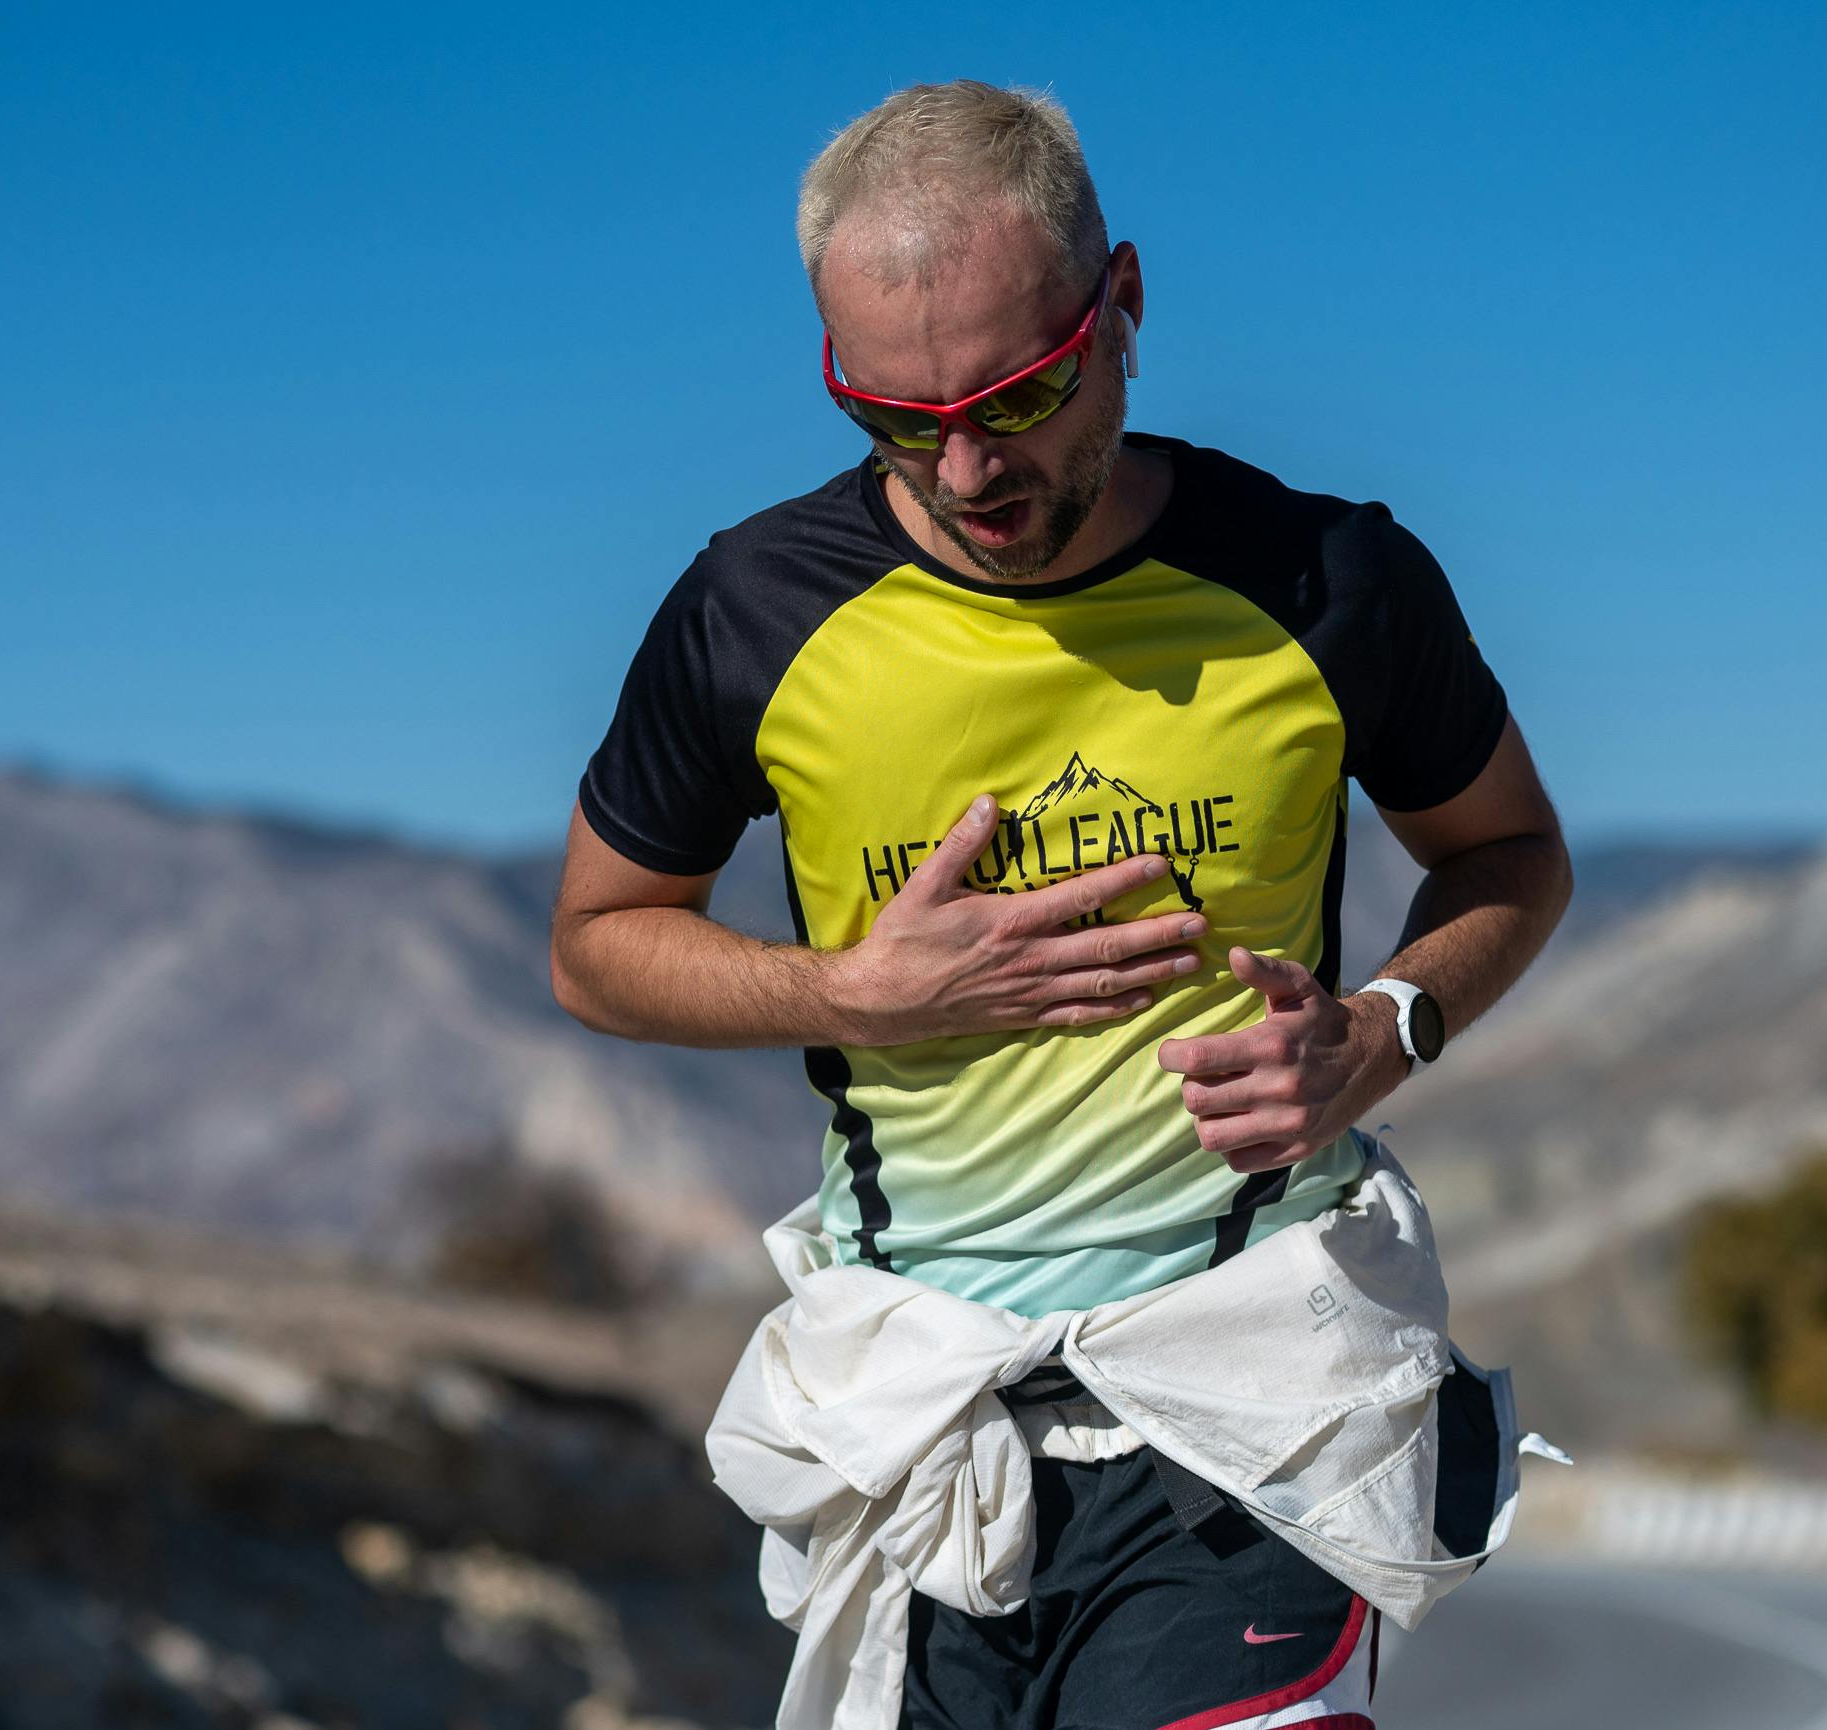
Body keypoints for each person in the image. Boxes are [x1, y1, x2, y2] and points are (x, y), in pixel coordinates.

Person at [551, 80, 1573, 1730]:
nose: (966, 470)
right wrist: (847, 995)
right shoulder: (753, 611)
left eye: (1019, 397)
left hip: (1250, 1407)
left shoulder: (1328, 580)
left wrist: (1387, 1029)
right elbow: (597, 947)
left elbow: (1514, 854)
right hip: (918, 1424)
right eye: (892, 417)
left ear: (1127, 309)